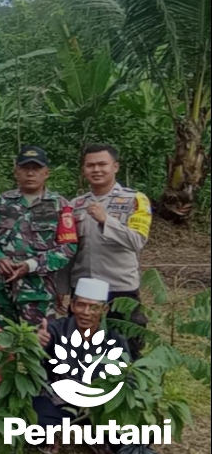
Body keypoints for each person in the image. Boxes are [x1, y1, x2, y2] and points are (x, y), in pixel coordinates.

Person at [69, 145, 152, 357]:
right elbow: (68, 250)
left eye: (102, 164)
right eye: (90, 165)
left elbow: (137, 241)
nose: (96, 170)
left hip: (119, 289)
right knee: (81, 351)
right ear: (83, 169)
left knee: (126, 350)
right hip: (83, 290)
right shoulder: (75, 205)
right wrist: (62, 288)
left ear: (115, 167)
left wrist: (106, 220)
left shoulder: (135, 200)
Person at [0, 146, 77, 325]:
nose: (30, 173)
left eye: (36, 169)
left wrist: (31, 265)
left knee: (38, 341)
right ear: (16, 172)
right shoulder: (2, 202)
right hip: (2, 291)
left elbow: (68, 247)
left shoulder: (60, 205)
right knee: (1, 339)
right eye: (25, 168)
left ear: (46, 173)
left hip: (38, 293)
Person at [34, 278, 131, 454]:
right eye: (81, 305)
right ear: (72, 305)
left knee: (134, 436)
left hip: (98, 405)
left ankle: (94, 433)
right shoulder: (56, 330)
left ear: (104, 310)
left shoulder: (115, 340)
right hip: (58, 401)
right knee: (37, 426)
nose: (86, 312)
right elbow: (39, 351)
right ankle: (54, 433)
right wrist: (38, 343)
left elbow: (126, 376)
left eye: (94, 307)